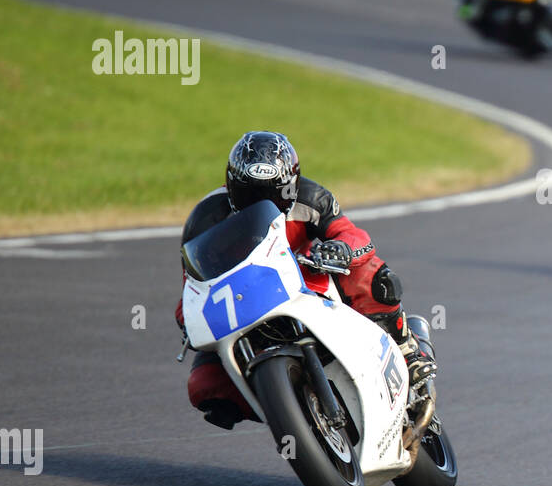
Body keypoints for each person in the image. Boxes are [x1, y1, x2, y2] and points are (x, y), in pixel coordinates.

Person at [174, 131, 436, 430]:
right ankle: (289, 408)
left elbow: (356, 237)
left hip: (305, 280)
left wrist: (342, 249)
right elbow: (192, 284)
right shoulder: (207, 217)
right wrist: (188, 320)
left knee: (374, 277)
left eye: (274, 193)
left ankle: (407, 349)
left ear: (291, 184)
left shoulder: (312, 198)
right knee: (204, 385)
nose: (262, 203)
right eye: (251, 194)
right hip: (244, 302)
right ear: (232, 186)